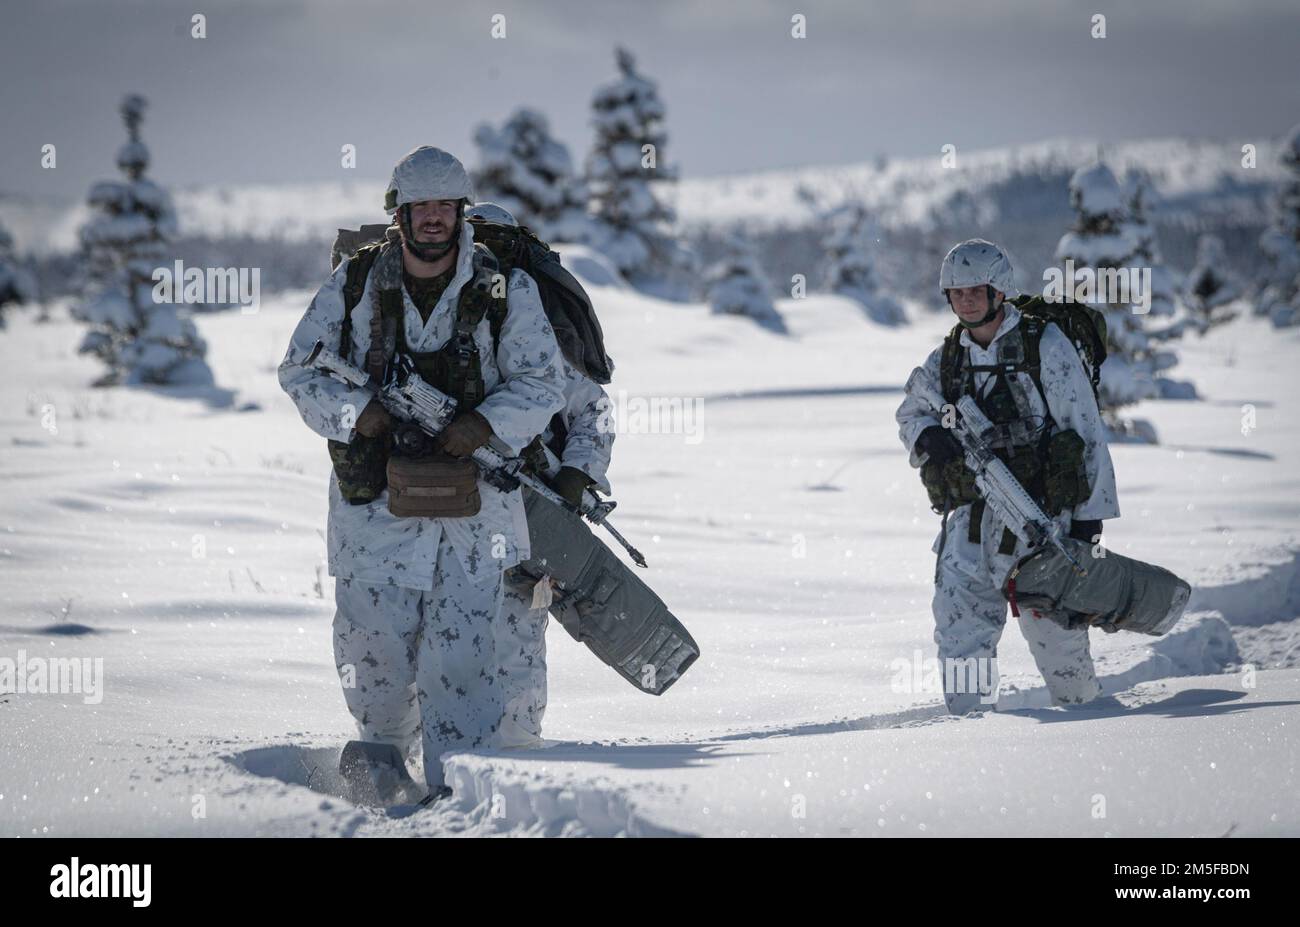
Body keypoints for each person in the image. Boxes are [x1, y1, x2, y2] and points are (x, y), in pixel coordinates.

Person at [277, 147, 566, 804]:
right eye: (421, 208)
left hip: (479, 516)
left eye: (445, 207)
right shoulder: (353, 286)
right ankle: (379, 794)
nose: (434, 219)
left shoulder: (502, 288)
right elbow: (299, 372)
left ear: (460, 211)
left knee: (468, 668)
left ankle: (460, 801)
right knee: (374, 664)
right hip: (374, 515)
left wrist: (483, 426)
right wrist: (362, 413)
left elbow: (542, 382)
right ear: (399, 214)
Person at [895, 239, 1120, 714]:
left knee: (1058, 638)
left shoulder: (1046, 347)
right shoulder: (948, 357)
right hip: (971, 527)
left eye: (976, 290)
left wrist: (1088, 522)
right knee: (960, 631)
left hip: (1042, 522)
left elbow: (1086, 432)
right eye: (956, 293)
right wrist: (927, 437)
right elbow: (911, 409)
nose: (966, 300)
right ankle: (970, 735)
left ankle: (1093, 727)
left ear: (1000, 292)